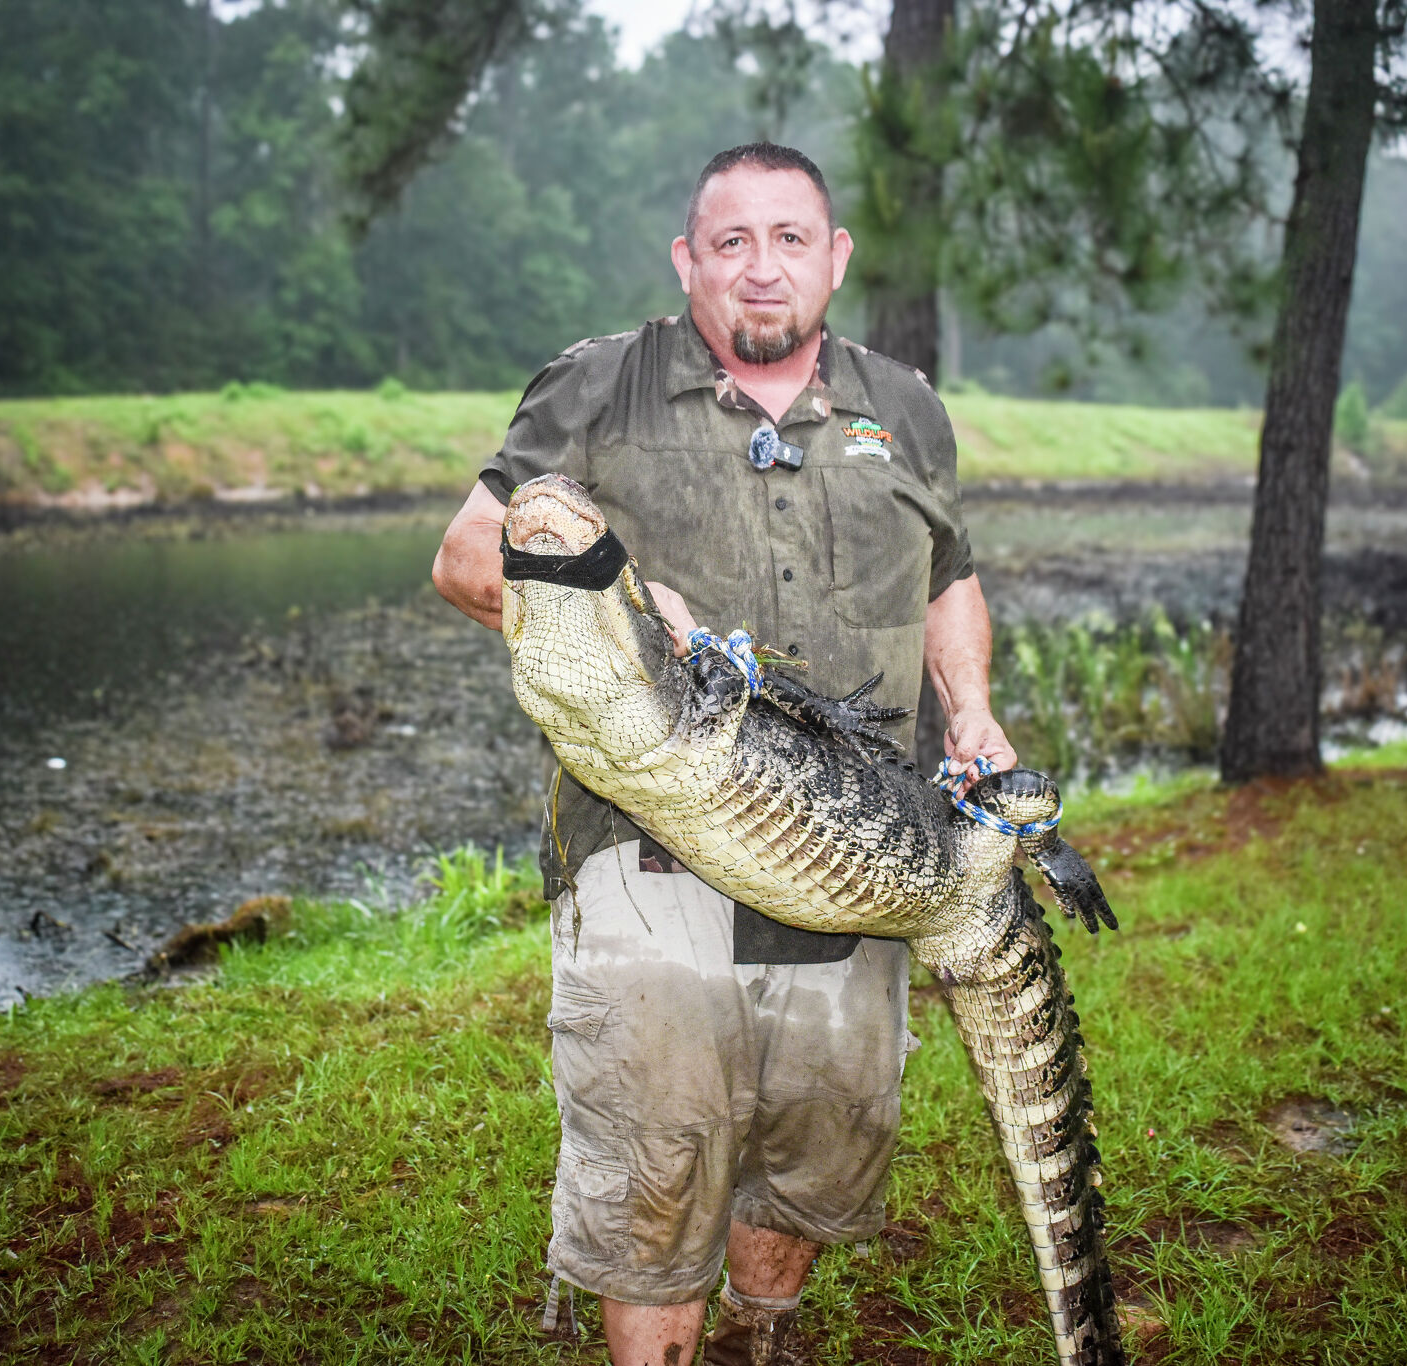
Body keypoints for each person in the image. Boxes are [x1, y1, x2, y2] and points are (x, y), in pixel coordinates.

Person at [432, 142, 1014, 1366]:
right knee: (659, 1153)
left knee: (818, 1131)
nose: (761, 269)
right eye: (731, 242)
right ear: (687, 260)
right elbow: (468, 558)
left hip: (848, 847)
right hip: (646, 843)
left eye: (789, 239)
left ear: (834, 257)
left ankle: (765, 1333)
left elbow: (948, 580)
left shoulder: (902, 405)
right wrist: (625, 623)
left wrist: (968, 713)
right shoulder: (598, 386)